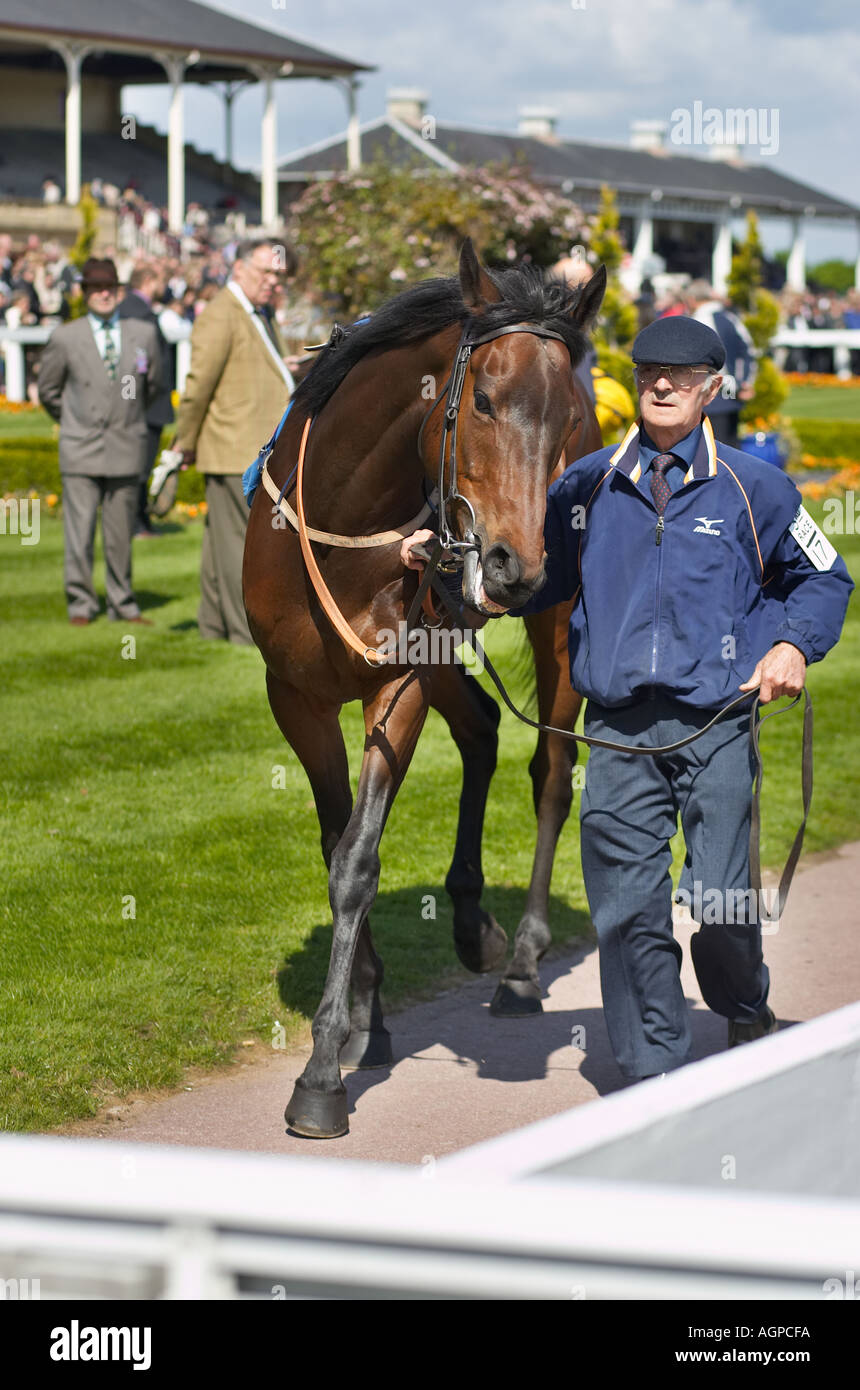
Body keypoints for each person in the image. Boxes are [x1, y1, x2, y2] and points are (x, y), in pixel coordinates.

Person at [400, 315, 853, 1082]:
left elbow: (824, 577)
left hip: (713, 723)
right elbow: (534, 582)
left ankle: (744, 1003)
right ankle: (654, 1077)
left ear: (712, 388)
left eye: (679, 376)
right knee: (629, 914)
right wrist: (448, 569)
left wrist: (789, 645)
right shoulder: (587, 484)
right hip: (613, 734)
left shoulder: (760, 488)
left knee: (718, 905)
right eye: (648, 374)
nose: (661, 385)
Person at [169, 238, 294, 644]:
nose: (274, 281)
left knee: (219, 544)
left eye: (279, 275)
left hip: (249, 449)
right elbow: (198, 386)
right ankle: (244, 631)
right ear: (238, 269)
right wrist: (182, 443)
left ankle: (212, 625)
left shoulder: (257, 312)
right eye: (266, 272)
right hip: (231, 450)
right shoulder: (222, 313)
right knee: (239, 549)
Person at [38, 257, 162, 626]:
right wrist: (75, 420)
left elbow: (152, 386)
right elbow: (49, 390)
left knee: (119, 534)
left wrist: (125, 416)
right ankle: (80, 603)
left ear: (119, 290)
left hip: (126, 445)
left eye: (109, 286)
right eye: (96, 287)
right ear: (84, 292)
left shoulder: (142, 333)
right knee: (79, 534)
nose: (104, 293)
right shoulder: (66, 336)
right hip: (80, 447)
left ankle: (122, 603)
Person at [118, 262, 175, 536]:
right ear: (149, 280)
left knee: (140, 463)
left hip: (146, 404)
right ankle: (134, 523)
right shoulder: (135, 311)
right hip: (143, 406)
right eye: (161, 281)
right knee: (137, 464)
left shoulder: (138, 310)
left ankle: (139, 521)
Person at [685, 279, 756, 447]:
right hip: (731, 398)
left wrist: (736, 385)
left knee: (711, 454)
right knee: (731, 452)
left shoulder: (699, 319)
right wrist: (744, 383)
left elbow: (715, 360)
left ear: (692, 299)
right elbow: (749, 352)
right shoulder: (731, 318)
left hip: (711, 398)